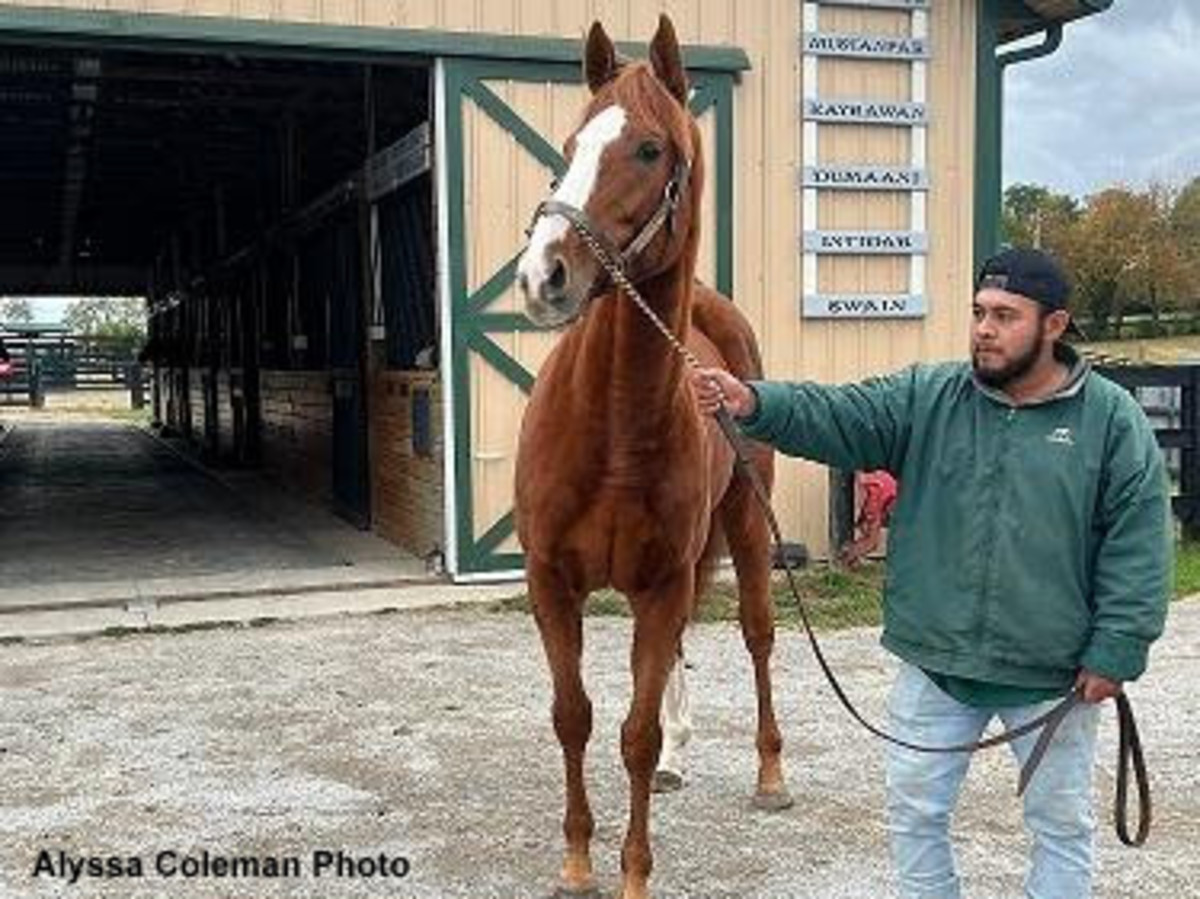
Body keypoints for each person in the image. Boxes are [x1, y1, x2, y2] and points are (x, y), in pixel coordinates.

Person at [691, 247, 1171, 898]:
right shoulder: (930, 396)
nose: (984, 328)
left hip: (1052, 674)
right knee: (915, 815)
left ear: (1054, 325)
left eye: (1005, 315)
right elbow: (838, 414)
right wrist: (752, 400)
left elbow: (1138, 542)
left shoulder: (1110, 421)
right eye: (978, 312)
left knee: (1059, 823)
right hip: (935, 663)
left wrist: (1117, 648)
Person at [840, 469, 898, 566]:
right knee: (870, 543)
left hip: (876, 487)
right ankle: (843, 561)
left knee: (869, 541)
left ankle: (848, 558)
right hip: (876, 493)